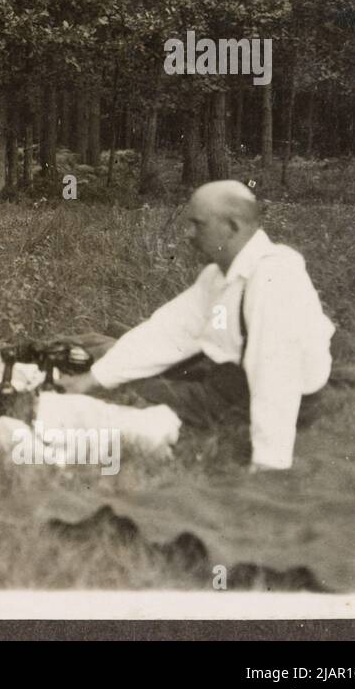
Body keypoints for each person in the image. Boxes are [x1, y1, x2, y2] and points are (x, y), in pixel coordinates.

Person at [56, 180, 335, 471]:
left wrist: (269, 461)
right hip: (229, 378)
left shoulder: (273, 276)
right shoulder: (217, 277)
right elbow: (167, 333)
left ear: (233, 226)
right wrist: (93, 378)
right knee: (130, 378)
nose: (188, 235)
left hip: (274, 399)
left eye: (198, 224)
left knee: (139, 396)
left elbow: (275, 373)